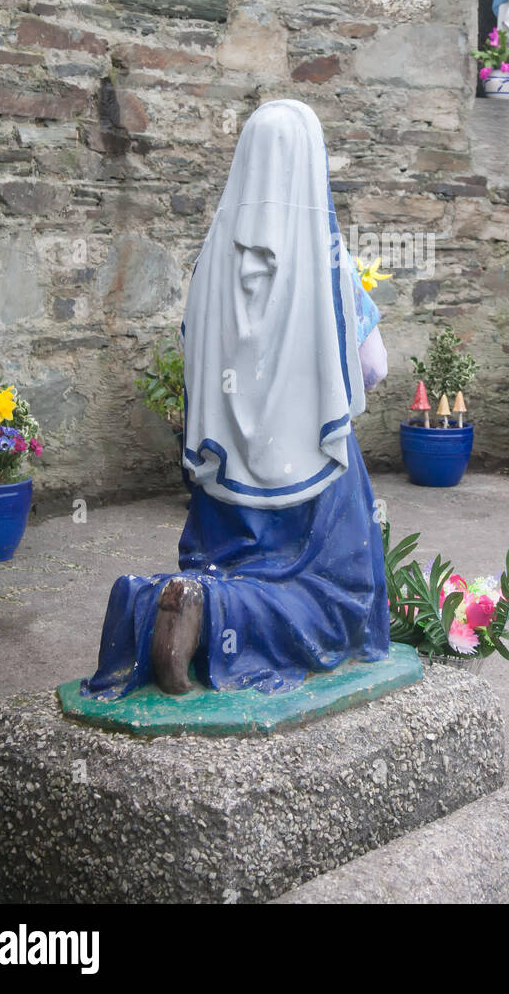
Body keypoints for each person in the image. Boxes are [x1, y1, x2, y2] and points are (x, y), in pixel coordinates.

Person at [82, 100, 390, 699]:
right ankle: (216, 613)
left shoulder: (211, 262)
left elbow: (195, 352)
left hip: (224, 483)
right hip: (315, 488)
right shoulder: (329, 264)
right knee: (338, 605)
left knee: (222, 566)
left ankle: (171, 599)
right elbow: (374, 366)